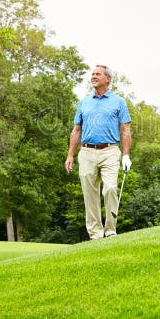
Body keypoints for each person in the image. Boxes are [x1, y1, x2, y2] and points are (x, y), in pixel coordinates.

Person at [65, 65, 132, 240]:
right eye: (92, 74)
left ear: (107, 79)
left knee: (110, 189)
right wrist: (70, 155)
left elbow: (125, 130)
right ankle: (95, 235)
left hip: (110, 151)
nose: (93, 77)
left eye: (97, 74)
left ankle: (111, 230)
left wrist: (126, 155)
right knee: (90, 194)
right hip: (86, 152)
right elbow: (76, 131)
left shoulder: (119, 102)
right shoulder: (84, 102)